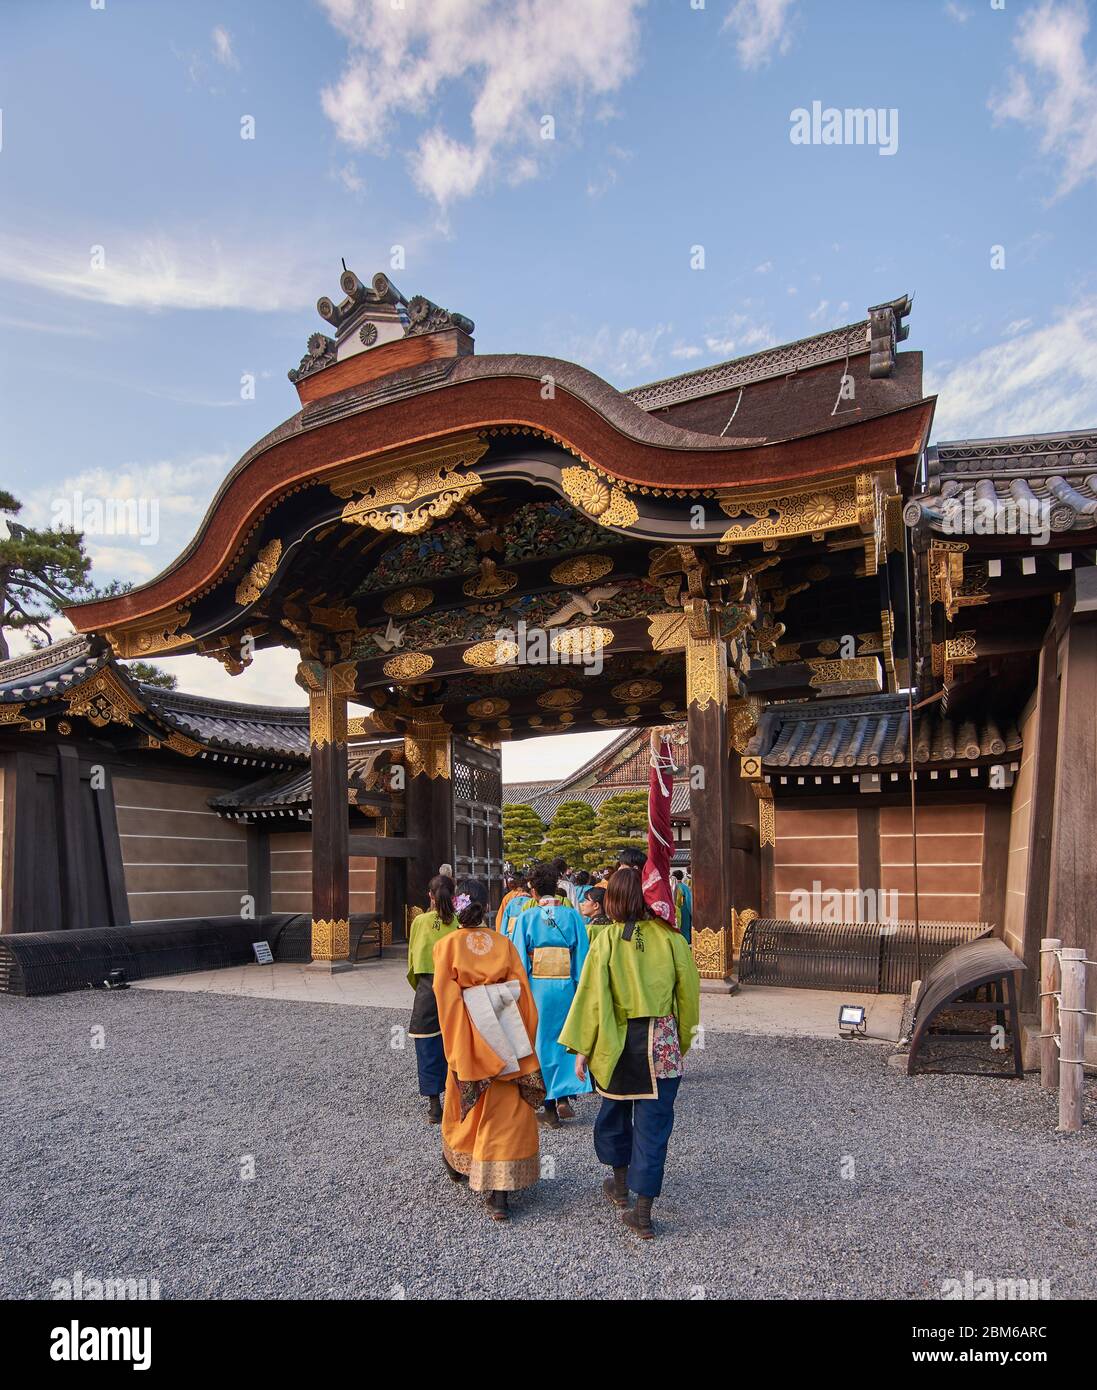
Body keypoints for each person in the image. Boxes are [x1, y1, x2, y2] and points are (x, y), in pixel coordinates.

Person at [559, 867, 700, 1241]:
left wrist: (582, 1048)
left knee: (614, 1115)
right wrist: (680, 1039)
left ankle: (620, 1187)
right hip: (661, 1043)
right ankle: (643, 1214)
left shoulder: (604, 940)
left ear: (614, 901)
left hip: (616, 1042)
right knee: (654, 1129)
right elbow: (688, 996)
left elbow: (590, 995)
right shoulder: (672, 940)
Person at [432, 878, 545, 1223]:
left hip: (470, 1035)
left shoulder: (447, 945)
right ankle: (500, 1195)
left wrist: (458, 1043)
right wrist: (523, 1037)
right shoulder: (504, 944)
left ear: (456, 905)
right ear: (487, 906)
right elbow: (524, 995)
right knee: (508, 1107)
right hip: (509, 1033)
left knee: (468, 1103)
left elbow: (445, 997)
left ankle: (460, 1161)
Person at [512, 862, 592, 1126]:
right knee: (565, 1039)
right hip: (567, 986)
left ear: (533, 891)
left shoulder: (527, 918)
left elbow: (518, 960)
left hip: (538, 987)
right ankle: (564, 1096)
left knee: (541, 1043)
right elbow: (583, 956)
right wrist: (580, 985)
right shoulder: (572, 917)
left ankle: (548, 1106)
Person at [406, 875, 459, 1123]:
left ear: (430, 895)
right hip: (456, 990)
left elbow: (412, 961)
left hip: (428, 989)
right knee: (457, 1043)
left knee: (428, 1045)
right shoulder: (459, 922)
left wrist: (422, 987)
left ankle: (434, 1105)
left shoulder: (419, 921)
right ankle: (458, 1098)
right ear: (454, 894)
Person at [497, 872, 533, 942]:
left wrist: (501, 937)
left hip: (511, 936)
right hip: (526, 935)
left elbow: (501, 918)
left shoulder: (508, 897)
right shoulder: (531, 897)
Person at [672, 869, 693, 945]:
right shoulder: (685, 887)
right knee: (685, 927)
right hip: (683, 909)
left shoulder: (671, 887)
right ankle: (685, 942)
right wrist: (691, 912)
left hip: (673, 909)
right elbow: (688, 900)